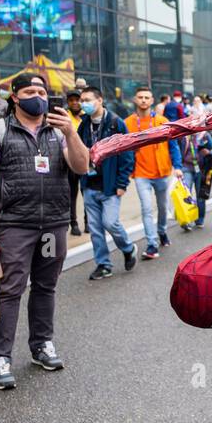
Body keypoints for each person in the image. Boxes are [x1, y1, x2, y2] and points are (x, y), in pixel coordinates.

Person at [0, 72, 90, 390]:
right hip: (15, 226)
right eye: (29, 91)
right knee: (9, 290)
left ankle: (41, 345)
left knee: (46, 286)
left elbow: (82, 166)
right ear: (15, 96)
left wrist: (71, 132)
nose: (37, 95)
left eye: (41, 90)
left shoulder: (61, 132)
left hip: (53, 225)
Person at [78, 85, 137, 279]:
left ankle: (128, 249)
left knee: (110, 223)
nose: (83, 104)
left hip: (111, 185)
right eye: (82, 100)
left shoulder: (115, 123)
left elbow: (128, 154)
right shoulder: (83, 124)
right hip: (89, 185)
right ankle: (103, 264)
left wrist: (122, 183)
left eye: (87, 100)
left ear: (100, 100)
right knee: (95, 229)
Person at [124, 85, 180, 260]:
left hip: (162, 172)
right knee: (147, 208)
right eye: (140, 97)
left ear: (152, 100)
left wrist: (177, 167)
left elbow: (173, 145)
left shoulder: (162, 121)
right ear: (135, 99)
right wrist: (125, 171)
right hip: (141, 173)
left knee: (162, 208)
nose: (143, 100)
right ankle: (151, 244)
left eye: (146, 97)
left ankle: (162, 231)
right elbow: (124, 149)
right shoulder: (128, 123)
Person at [65, 88, 86, 236]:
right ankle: (74, 223)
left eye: (77, 100)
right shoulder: (64, 116)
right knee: (72, 194)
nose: (74, 103)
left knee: (88, 192)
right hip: (70, 161)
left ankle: (88, 221)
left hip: (86, 159)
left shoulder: (86, 117)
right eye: (71, 100)